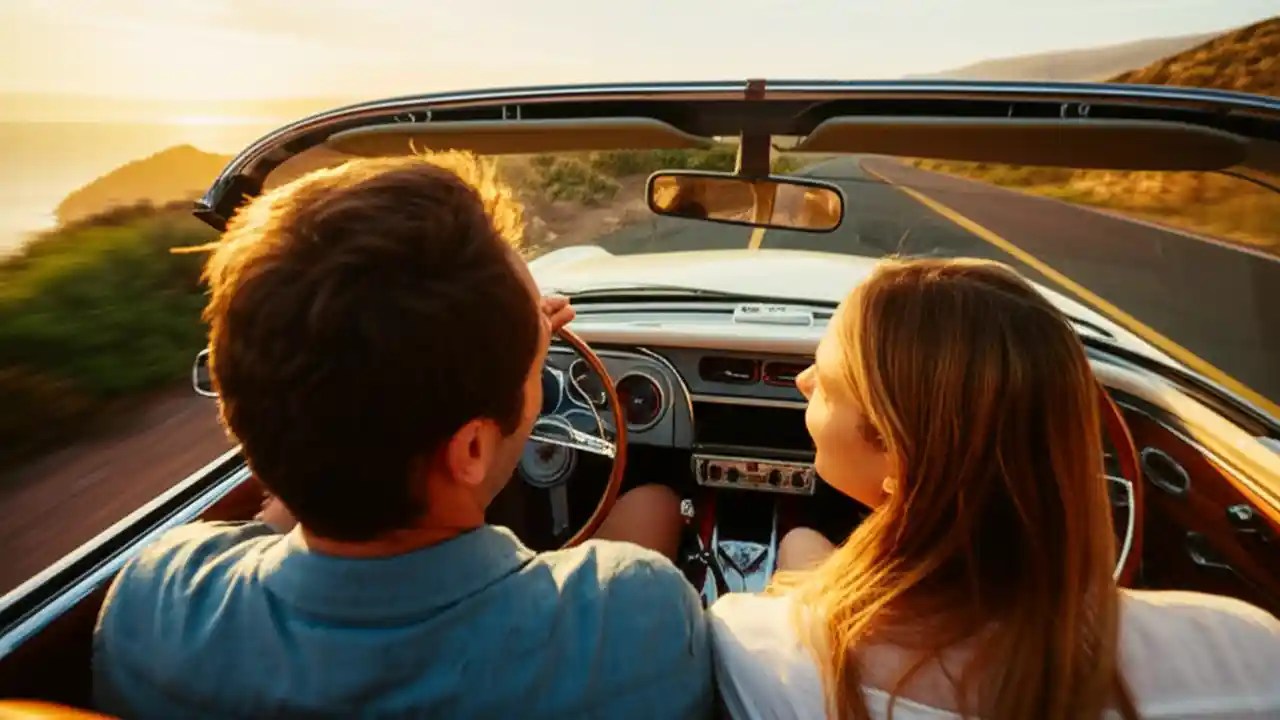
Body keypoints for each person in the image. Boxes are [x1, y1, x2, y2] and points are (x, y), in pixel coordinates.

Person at [93, 153, 710, 719]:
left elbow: (297, 471)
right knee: (654, 502)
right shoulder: (638, 620)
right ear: (471, 449)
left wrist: (512, 352)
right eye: (536, 373)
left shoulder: (155, 602)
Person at [709, 258, 1280, 720]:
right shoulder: (1247, 653)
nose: (802, 380)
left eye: (828, 383)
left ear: (898, 455)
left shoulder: (758, 655)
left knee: (800, 543)